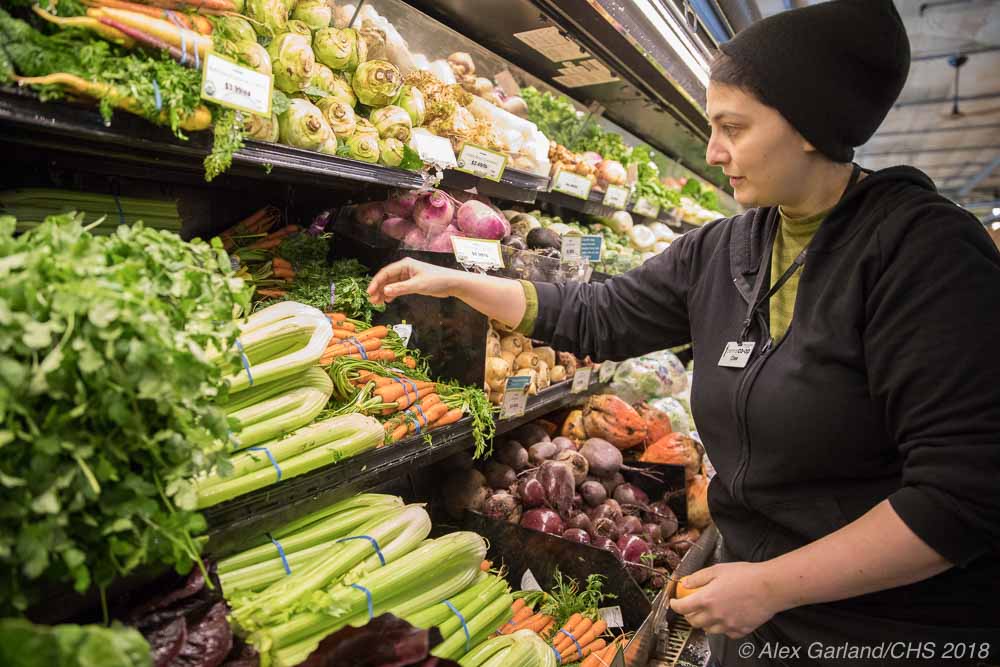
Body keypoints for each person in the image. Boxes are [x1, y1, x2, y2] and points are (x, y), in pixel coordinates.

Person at [367, 1, 1000, 664]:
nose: (712, 151)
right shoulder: (725, 249)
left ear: (811, 125)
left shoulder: (925, 255)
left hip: (885, 629)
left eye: (733, 127)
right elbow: (601, 313)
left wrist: (773, 585)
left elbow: (963, 493)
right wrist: (461, 283)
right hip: (754, 610)